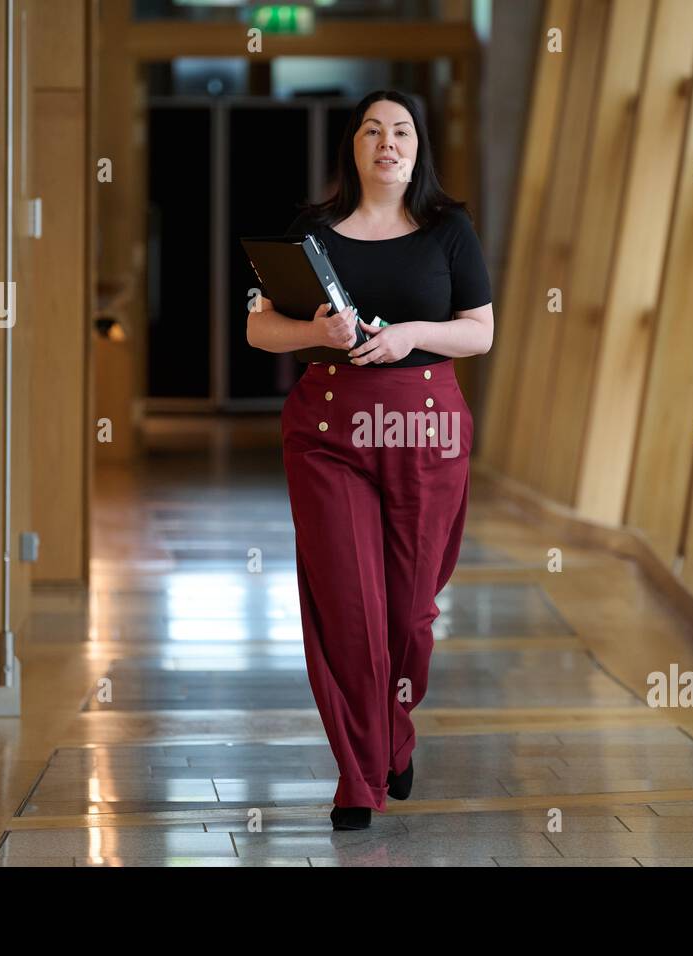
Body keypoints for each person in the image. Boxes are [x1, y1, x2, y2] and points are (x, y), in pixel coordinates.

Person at [246, 90, 494, 830]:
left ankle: (395, 734)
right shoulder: (311, 232)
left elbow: (478, 333)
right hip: (328, 432)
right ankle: (359, 778)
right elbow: (261, 329)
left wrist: (410, 332)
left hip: (424, 432)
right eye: (373, 131)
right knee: (350, 610)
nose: (388, 143)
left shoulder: (450, 230)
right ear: (353, 147)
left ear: (419, 148)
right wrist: (318, 335)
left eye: (403, 132)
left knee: (411, 614)